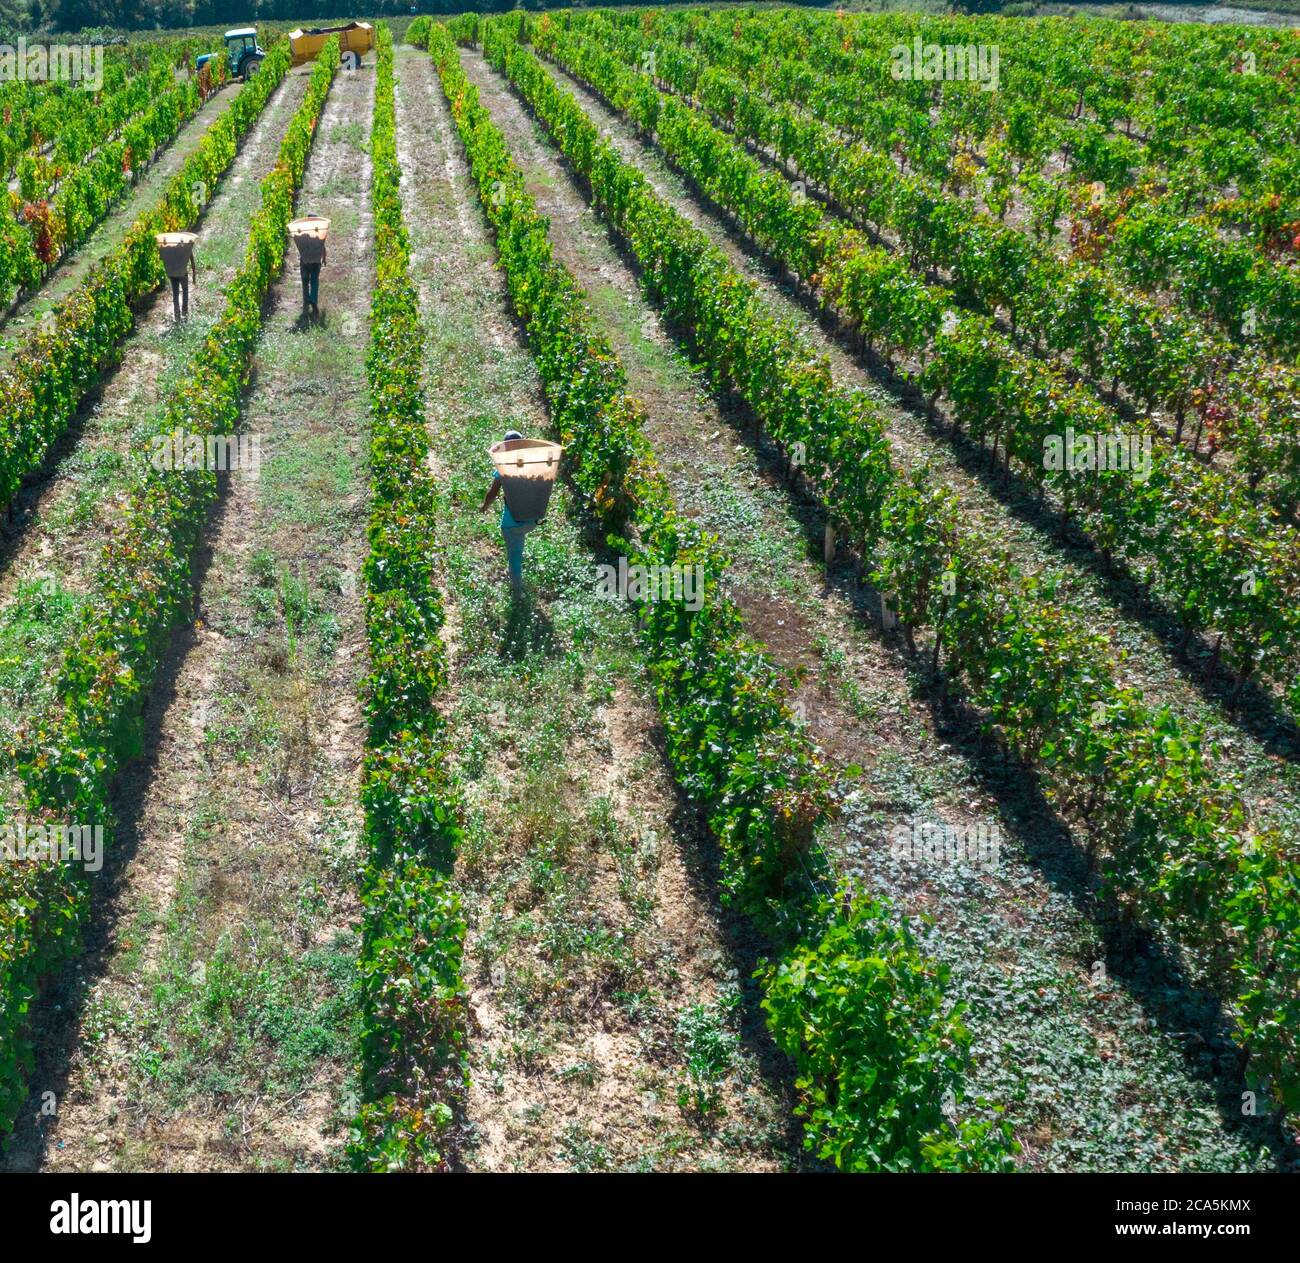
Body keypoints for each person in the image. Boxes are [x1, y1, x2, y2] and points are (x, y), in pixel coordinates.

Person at [480, 430, 540, 595]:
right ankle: (517, 586)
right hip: (531, 521)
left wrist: (484, 507)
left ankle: (517, 592)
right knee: (518, 545)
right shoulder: (534, 464)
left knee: (514, 557)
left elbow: (493, 493)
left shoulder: (504, 467)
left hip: (511, 523)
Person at [158, 235, 197, 323]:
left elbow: (161, 257)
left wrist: (162, 246)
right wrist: (194, 276)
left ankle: (177, 314)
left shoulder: (169, 249)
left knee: (175, 294)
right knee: (185, 291)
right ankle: (185, 312)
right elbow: (192, 262)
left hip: (172, 274)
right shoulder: (186, 250)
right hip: (183, 274)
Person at [292, 224, 326, 314]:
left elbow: (299, 246)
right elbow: (323, 247)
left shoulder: (303, 235)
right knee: (314, 281)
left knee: (305, 281)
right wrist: (324, 259)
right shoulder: (318, 235)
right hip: (316, 261)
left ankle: (306, 301)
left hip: (304, 261)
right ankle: (313, 299)